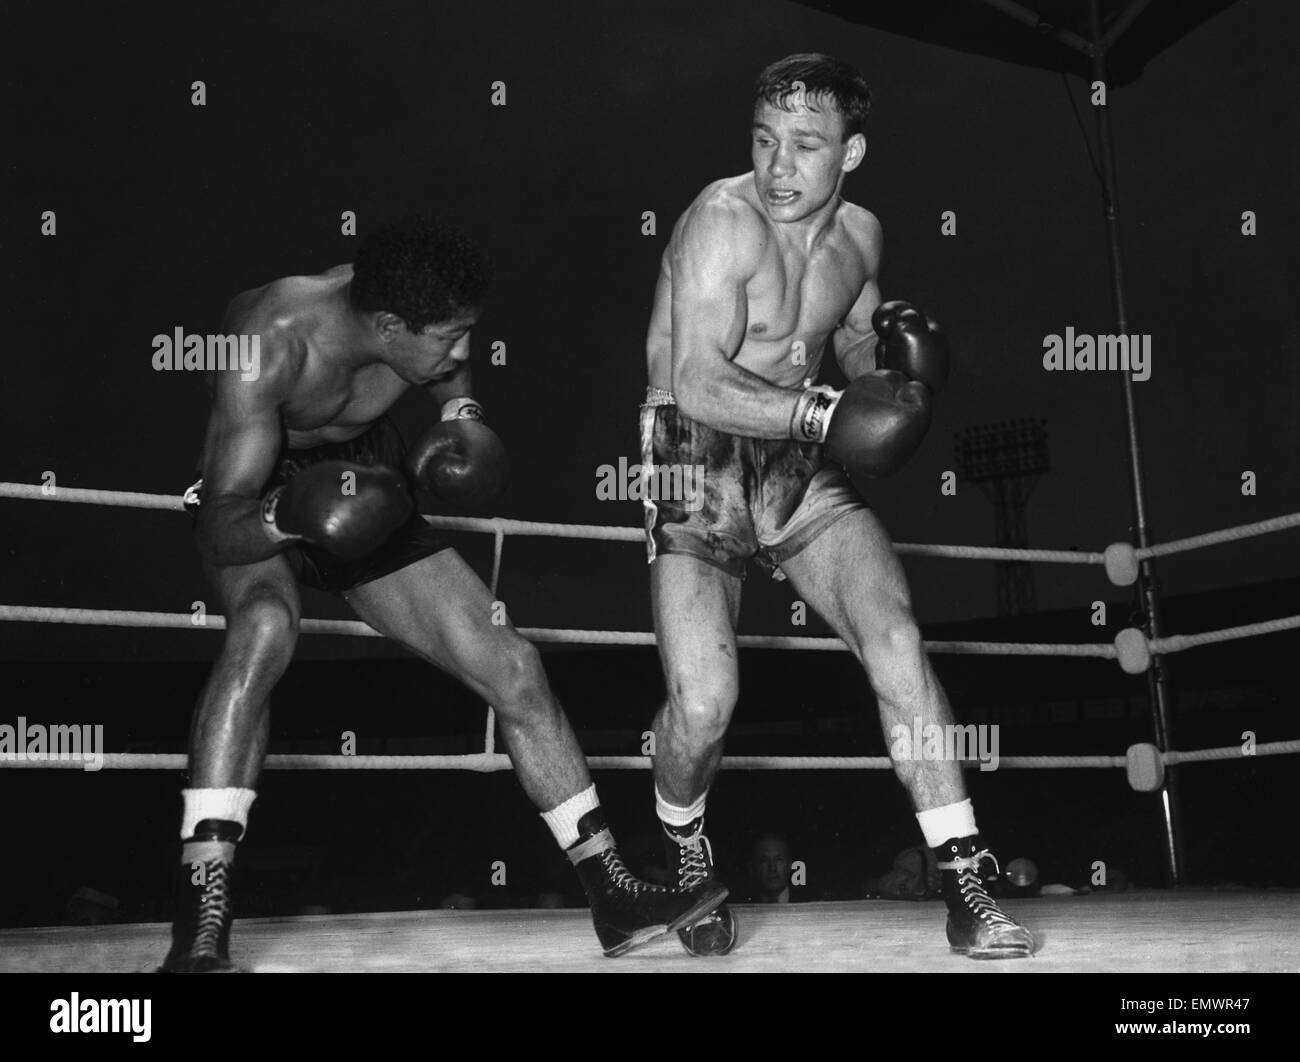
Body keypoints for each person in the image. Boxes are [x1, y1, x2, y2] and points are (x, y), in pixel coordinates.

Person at [162, 215, 725, 971]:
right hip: (254, 496)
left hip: (370, 480)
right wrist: (288, 512)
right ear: (389, 326)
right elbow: (222, 523)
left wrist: (467, 422)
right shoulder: (267, 344)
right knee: (264, 628)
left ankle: (613, 894)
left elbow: (453, 384)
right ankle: (203, 918)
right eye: (448, 338)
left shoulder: (417, 325)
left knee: (513, 663)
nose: (463, 352)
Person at [640, 54, 1034, 959]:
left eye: (805, 146)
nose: (779, 168)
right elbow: (696, 379)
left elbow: (849, 338)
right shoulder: (720, 219)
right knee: (703, 705)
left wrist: (894, 371)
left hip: (795, 458)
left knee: (896, 639)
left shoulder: (862, 233)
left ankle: (966, 881)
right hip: (691, 457)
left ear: (851, 152)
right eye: (764, 141)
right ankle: (684, 849)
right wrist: (829, 410)